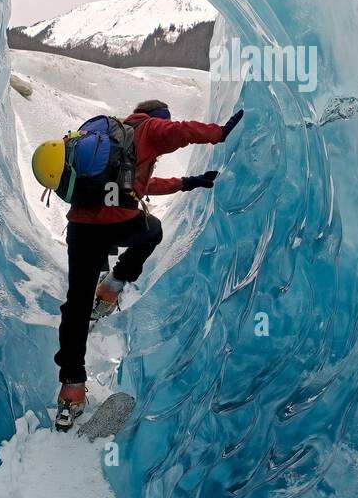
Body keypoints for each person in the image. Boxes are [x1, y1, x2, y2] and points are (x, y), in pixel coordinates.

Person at [54, 99, 244, 428]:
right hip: (116, 223)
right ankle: (111, 289)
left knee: (76, 303)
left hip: (81, 226)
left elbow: (140, 186)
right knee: (152, 229)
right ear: (157, 117)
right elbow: (180, 132)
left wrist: (186, 182)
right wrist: (219, 133)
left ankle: (71, 390)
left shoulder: (111, 138)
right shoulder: (151, 127)